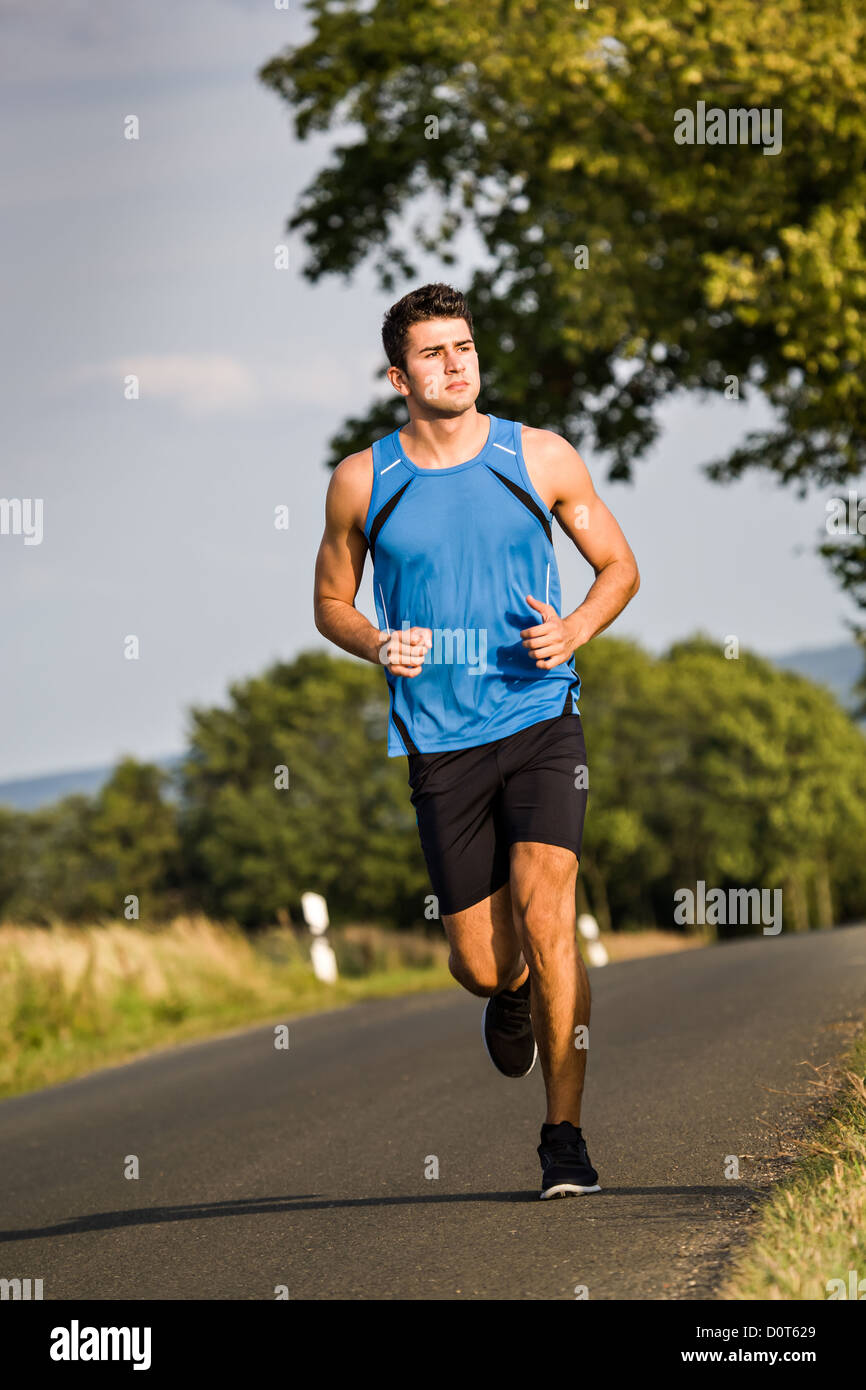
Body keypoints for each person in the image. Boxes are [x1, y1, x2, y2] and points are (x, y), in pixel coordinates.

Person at [313, 283, 639, 1198]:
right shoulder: (362, 480)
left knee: (550, 916)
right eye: (433, 353)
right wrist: (379, 640)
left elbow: (619, 567)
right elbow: (330, 604)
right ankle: (507, 994)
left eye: (464, 347)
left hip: (541, 717)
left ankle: (563, 1139)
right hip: (440, 742)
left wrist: (573, 630)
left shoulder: (537, 456)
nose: (455, 363)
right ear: (398, 377)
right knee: (484, 960)